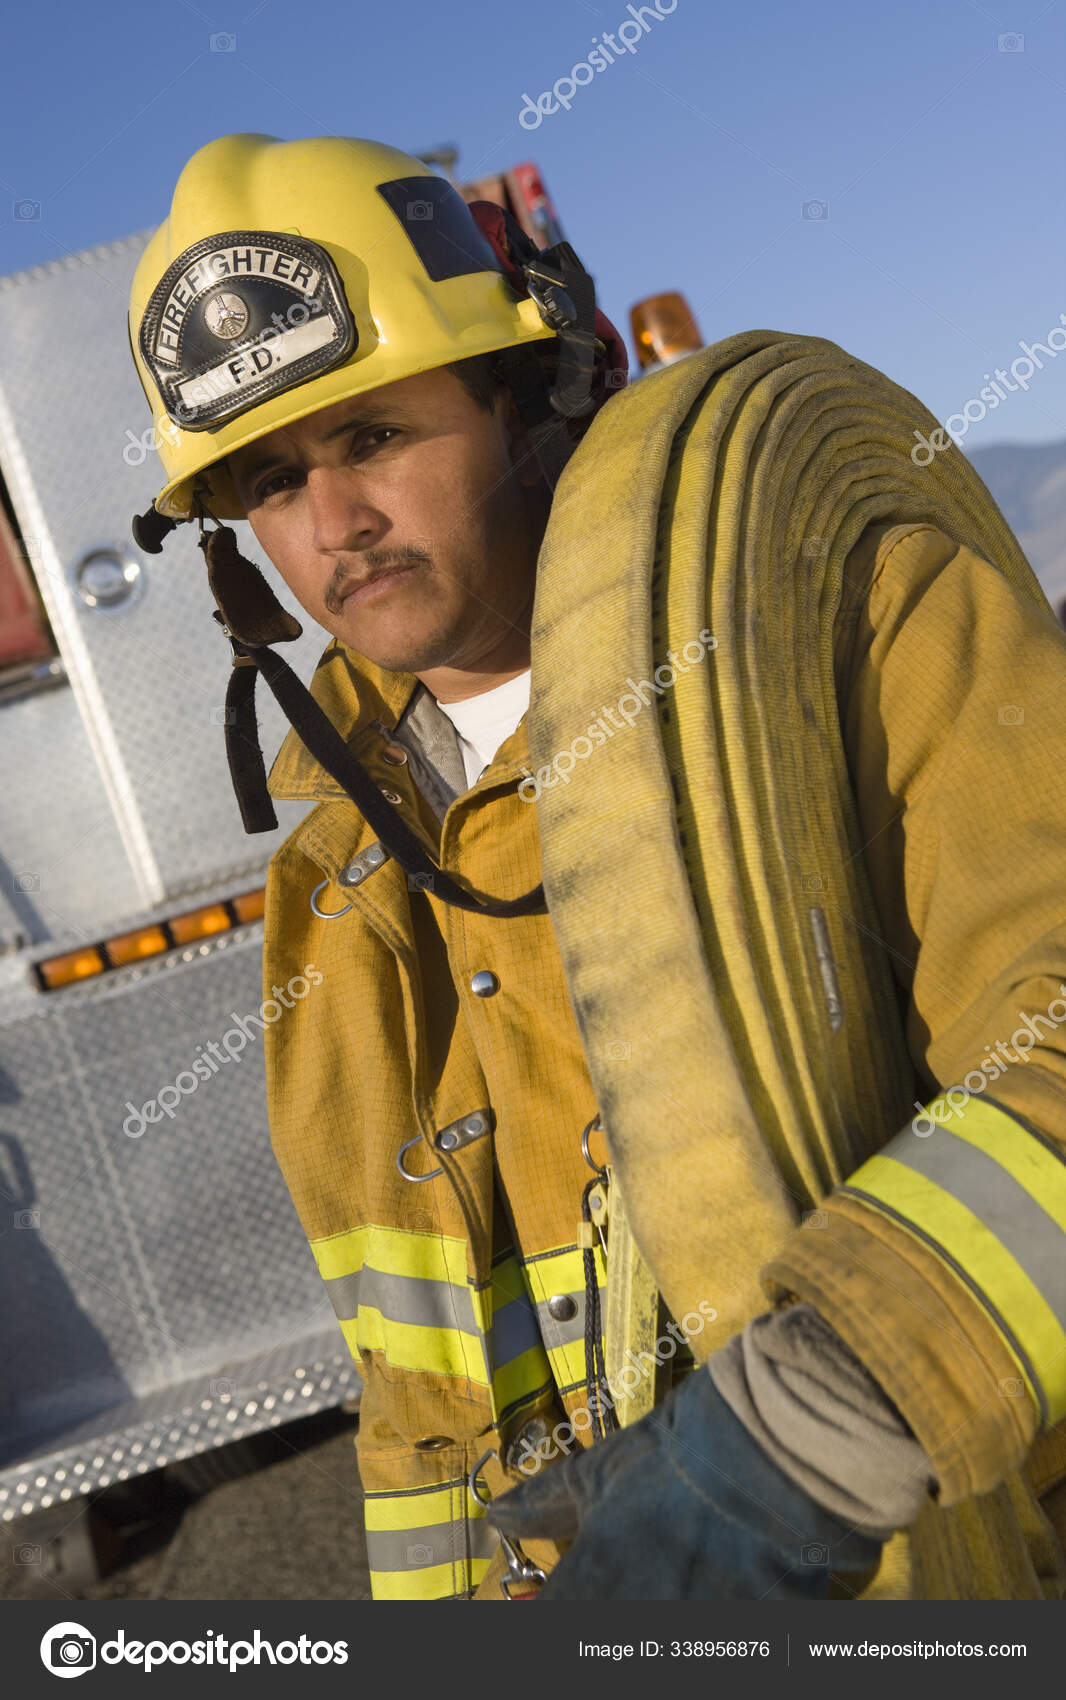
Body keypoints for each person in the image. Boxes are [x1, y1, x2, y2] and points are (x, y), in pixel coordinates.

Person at [127, 132, 1066, 1601]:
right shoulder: (341, 888)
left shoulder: (844, 620)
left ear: (519, 392)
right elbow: (420, 1419)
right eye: (268, 480)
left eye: (373, 437)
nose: (333, 527)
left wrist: (799, 1445)